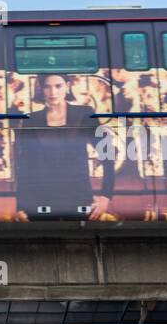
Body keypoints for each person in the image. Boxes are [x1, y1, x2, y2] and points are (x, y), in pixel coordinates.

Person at [13, 73, 113, 221]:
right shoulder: (32, 120)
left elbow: (107, 153)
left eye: (58, 86)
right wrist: (20, 205)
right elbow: (24, 165)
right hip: (40, 199)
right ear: (42, 90)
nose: (53, 92)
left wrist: (106, 196)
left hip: (78, 196)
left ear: (67, 86)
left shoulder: (84, 113)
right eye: (47, 87)